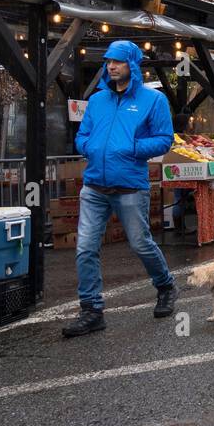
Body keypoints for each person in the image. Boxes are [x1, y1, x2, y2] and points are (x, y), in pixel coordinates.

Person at [62, 40, 177, 338]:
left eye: (118, 61)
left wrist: (131, 147)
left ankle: (165, 285)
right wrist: (89, 146)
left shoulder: (154, 100)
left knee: (140, 244)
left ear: (132, 65)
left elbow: (165, 139)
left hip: (129, 186)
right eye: (108, 61)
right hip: (94, 185)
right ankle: (91, 310)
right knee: (85, 247)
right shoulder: (98, 100)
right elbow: (82, 135)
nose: (111, 66)